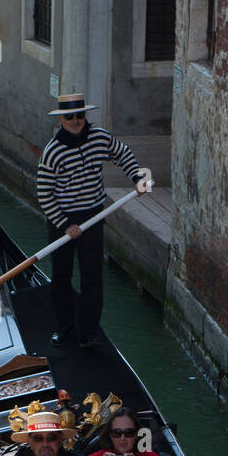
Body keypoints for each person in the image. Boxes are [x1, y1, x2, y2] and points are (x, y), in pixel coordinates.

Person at [36, 93, 151, 348]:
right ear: (62, 120)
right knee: (62, 276)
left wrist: (137, 176)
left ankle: (88, 331)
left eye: (80, 115)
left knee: (92, 277)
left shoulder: (99, 137)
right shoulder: (53, 151)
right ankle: (65, 328)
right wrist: (65, 224)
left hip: (93, 214)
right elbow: (44, 193)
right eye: (70, 117)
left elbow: (122, 152)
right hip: (62, 219)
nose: (76, 120)